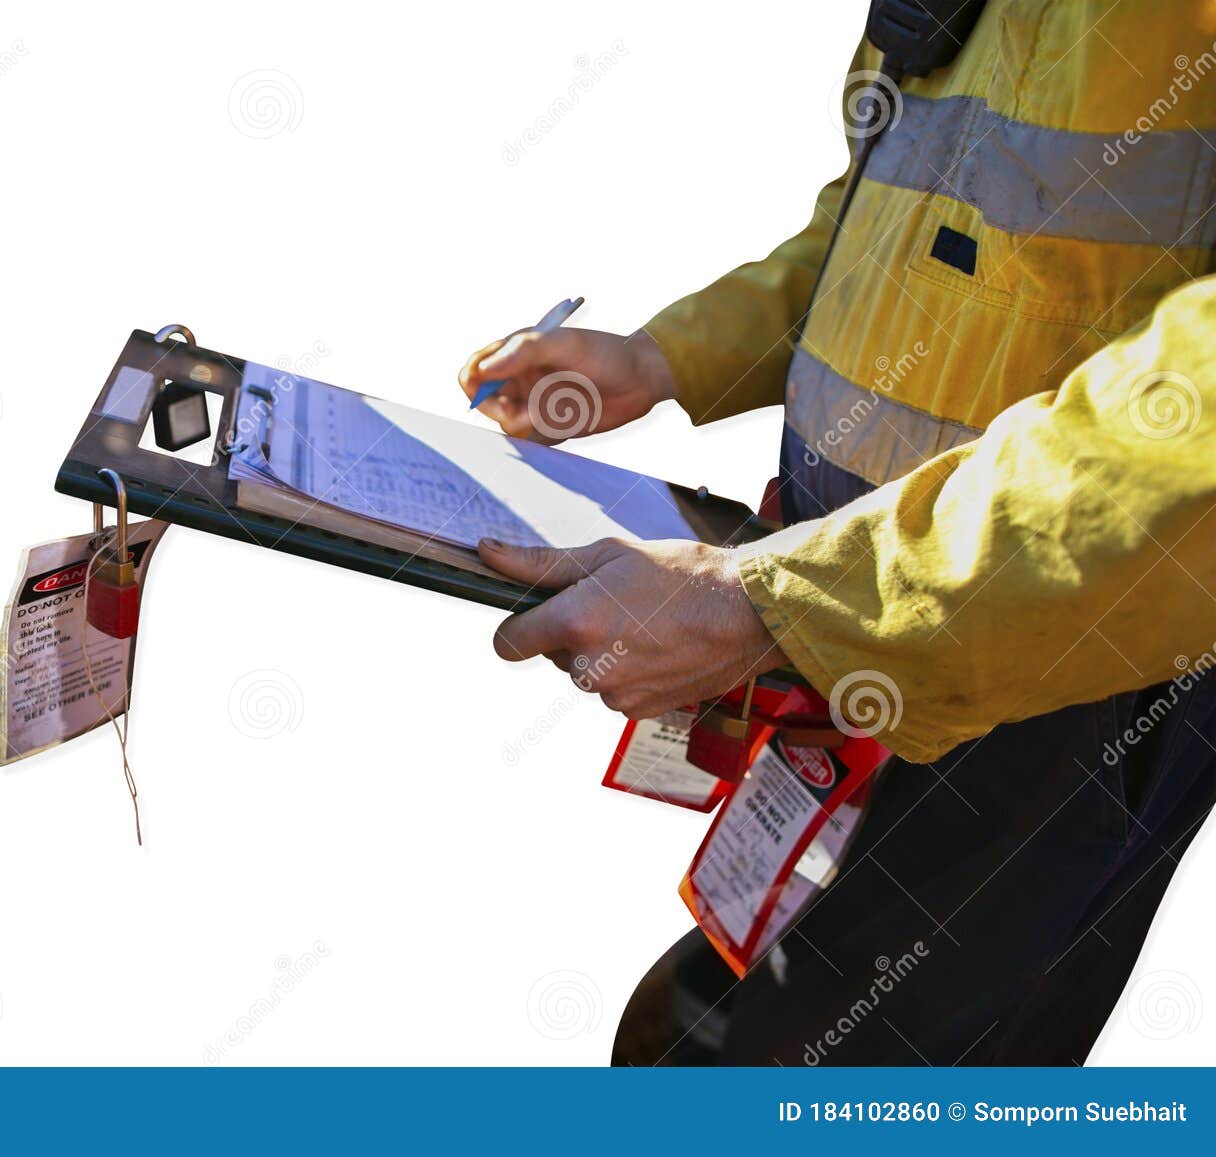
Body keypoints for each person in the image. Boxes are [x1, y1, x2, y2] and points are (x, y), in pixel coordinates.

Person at [459, 2, 1216, 1065]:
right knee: (703, 1033)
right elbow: (900, 228)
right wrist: (669, 355)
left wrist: (783, 599)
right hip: (847, 629)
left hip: (1059, 683)